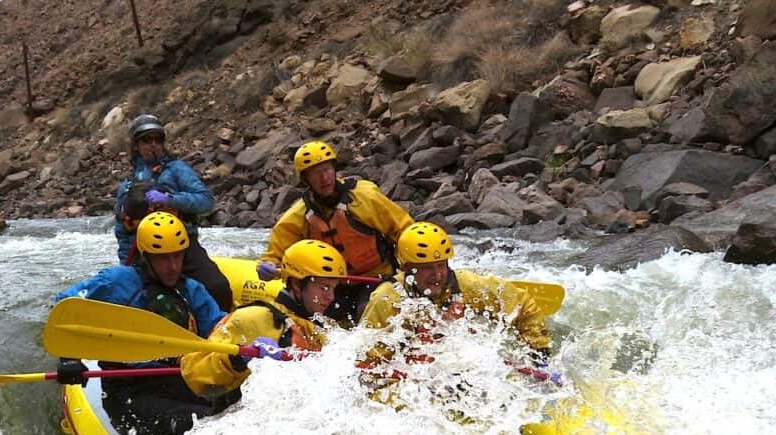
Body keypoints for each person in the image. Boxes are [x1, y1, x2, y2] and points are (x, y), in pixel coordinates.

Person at [55, 211, 239, 435]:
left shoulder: (192, 290)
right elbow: (65, 306)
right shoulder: (117, 281)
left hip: (182, 381)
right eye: (163, 258)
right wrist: (68, 356)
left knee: (236, 406)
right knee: (199, 425)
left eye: (177, 256)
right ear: (146, 257)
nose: (172, 267)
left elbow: (220, 330)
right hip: (130, 392)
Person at [256, 139, 413, 324]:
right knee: (291, 310)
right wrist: (267, 266)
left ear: (334, 169)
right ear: (306, 180)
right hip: (332, 287)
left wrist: (411, 270)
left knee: (367, 313)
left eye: (327, 170)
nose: (324, 178)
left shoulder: (365, 198)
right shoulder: (298, 216)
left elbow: (405, 231)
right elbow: (274, 256)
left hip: (376, 280)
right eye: (316, 174)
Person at [360, 222, 554, 370]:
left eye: (441, 265)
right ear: (407, 268)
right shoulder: (386, 300)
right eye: (427, 268)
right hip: (413, 373)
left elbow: (524, 305)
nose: (437, 275)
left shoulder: (466, 284)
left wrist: (540, 356)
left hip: (457, 367)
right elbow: (367, 362)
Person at [181, 240, 347, 401]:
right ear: (296, 285)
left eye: (333, 289)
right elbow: (195, 375)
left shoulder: (325, 328)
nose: (331, 297)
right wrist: (239, 357)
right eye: (324, 288)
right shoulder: (254, 318)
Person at [113, 113, 233, 312]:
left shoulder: (177, 170)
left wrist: (170, 200)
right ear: (136, 145)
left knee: (217, 287)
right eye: (146, 140)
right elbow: (122, 227)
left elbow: (206, 202)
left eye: (158, 139)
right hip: (145, 252)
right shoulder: (127, 185)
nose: (153, 144)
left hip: (182, 246)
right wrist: (126, 265)